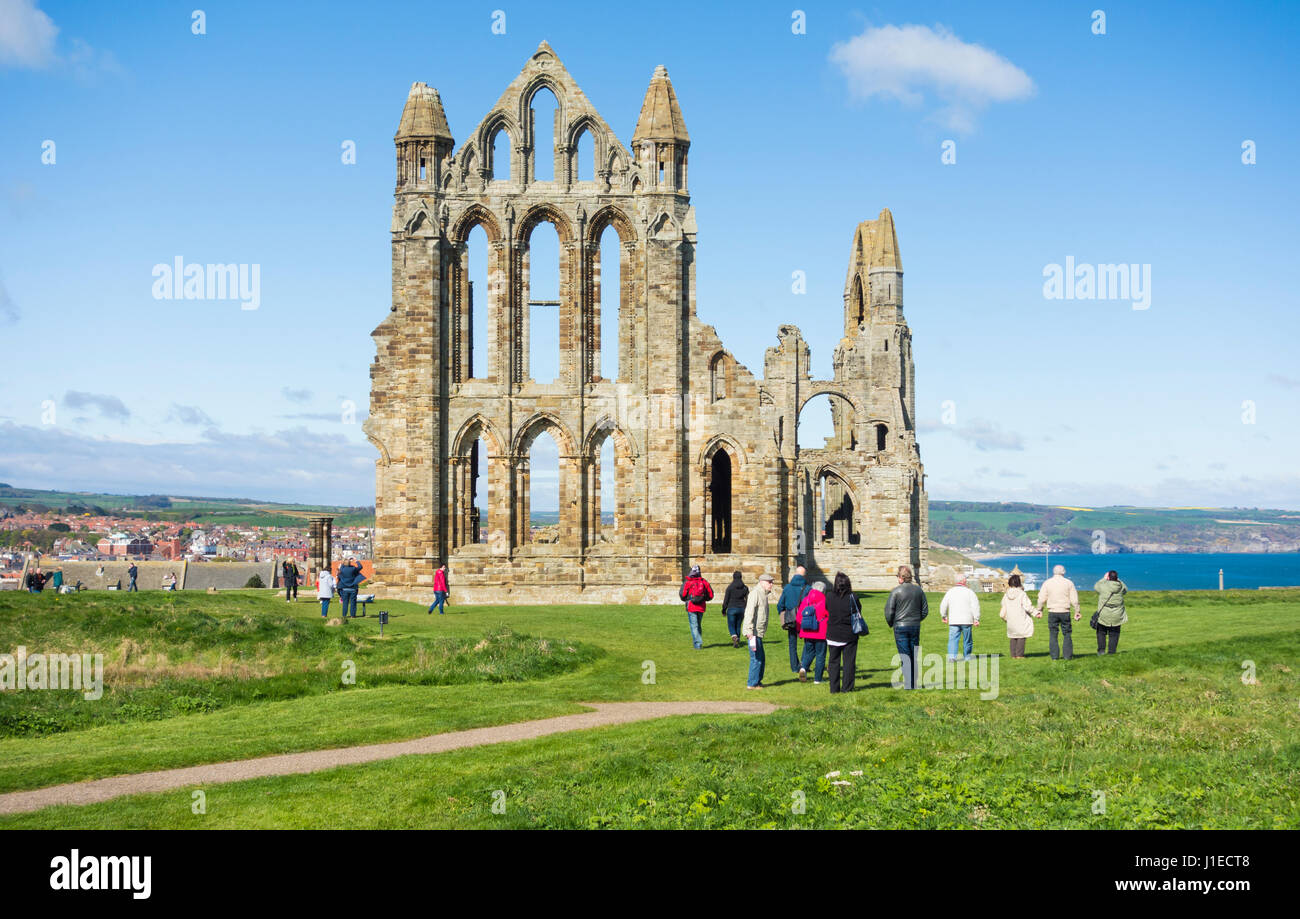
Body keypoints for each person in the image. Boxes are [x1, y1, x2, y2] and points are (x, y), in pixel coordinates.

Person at [884, 564, 928, 689]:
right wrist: (916, 620)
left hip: (900, 626)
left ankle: (909, 684)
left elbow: (889, 611)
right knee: (913, 655)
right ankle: (913, 682)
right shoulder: (918, 590)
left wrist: (892, 622)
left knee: (905, 655)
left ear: (901, 577)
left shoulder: (896, 591)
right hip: (914, 626)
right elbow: (925, 610)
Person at [824, 572, 861, 694]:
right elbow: (858, 611)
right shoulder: (853, 597)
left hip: (833, 633)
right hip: (848, 634)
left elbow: (827, 608)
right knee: (848, 662)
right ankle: (847, 688)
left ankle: (834, 689)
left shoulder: (829, 596)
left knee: (833, 662)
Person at [1037, 564, 1080, 660]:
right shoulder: (1069, 583)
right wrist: (1077, 611)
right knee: (1067, 633)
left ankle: (1054, 657)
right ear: (1064, 572)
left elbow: (1041, 599)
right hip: (1065, 611)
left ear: (1053, 572)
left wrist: (1040, 610)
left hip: (1052, 611)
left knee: (1053, 634)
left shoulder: (1047, 583)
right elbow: (1075, 600)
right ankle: (1067, 656)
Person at [741, 573, 776, 689]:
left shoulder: (763, 594)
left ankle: (757, 681)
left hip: (759, 632)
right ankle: (752, 683)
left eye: (772, 582)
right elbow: (749, 612)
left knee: (761, 658)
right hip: (753, 632)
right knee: (756, 658)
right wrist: (749, 631)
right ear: (762, 582)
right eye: (769, 582)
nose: (771, 584)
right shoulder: (755, 593)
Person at [777, 565, 811, 673]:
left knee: (792, 644)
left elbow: (780, 605)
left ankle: (794, 666)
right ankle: (804, 664)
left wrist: (783, 614)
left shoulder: (787, 588)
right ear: (804, 576)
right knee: (808, 642)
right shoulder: (808, 589)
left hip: (791, 618)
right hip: (804, 618)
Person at [940, 576, 981, 662]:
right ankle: (967, 657)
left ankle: (952, 657)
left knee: (953, 639)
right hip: (967, 620)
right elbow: (975, 606)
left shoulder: (950, 592)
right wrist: (976, 618)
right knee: (967, 640)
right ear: (964, 581)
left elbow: (943, 605)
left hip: (954, 620)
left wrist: (944, 616)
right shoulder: (970, 592)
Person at [796, 580, 830, 683]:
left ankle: (803, 668)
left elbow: (799, 617)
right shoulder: (825, 601)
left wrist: (799, 630)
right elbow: (829, 616)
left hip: (807, 631)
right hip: (820, 632)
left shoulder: (806, 600)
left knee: (809, 652)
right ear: (823, 590)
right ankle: (817, 679)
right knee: (820, 655)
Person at [999, 573, 1040, 658]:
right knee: (1021, 636)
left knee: (1013, 636)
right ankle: (1020, 655)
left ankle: (1013, 655)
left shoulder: (1006, 595)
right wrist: (1036, 613)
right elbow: (1027, 606)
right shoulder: (1022, 594)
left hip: (1010, 619)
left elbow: (1003, 605)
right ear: (1019, 583)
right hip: (1021, 618)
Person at [1093, 570, 1128, 655]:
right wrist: (1118, 580)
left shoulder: (1103, 586)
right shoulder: (1121, 587)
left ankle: (1101, 651)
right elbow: (1126, 590)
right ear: (1116, 578)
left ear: (1108, 577)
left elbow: (1096, 586)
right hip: (1117, 615)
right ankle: (1111, 652)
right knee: (1114, 634)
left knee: (1101, 633)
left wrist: (1104, 578)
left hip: (1104, 614)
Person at [679, 565, 714, 649]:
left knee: (694, 626)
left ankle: (698, 644)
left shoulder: (688, 582)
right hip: (701, 606)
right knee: (698, 625)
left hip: (691, 606)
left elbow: (682, 595)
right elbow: (711, 595)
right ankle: (697, 643)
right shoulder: (704, 582)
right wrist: (703, 598)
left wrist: (688, 599)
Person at [721, 570, 749, 648]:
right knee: (738, 625)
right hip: (741, 609)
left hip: (731, 608)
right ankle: (738, 639)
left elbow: (726, 600)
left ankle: (734, 637)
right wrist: (746, 607)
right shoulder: (745, 588)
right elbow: (747, 599)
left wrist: (723, 610)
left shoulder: (730, 587)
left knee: (731, 625)